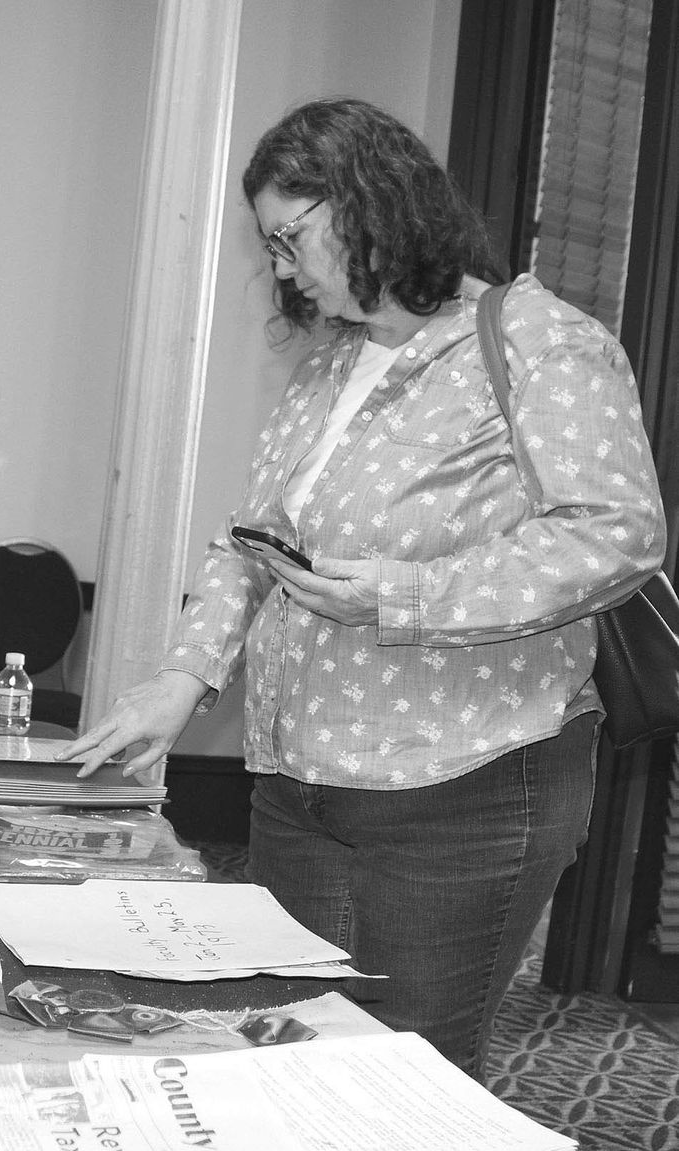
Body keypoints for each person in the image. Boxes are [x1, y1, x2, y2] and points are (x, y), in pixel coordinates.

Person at [62, 96, 666, 1078]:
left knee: (403, 1082)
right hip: (303, 788)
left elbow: (618, 534)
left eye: (292, 238)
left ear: (369, 202)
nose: (285, 270)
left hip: (464, 787)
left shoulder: (538, 340)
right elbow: (250, 541)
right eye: (272, 248)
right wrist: (178, 680)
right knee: (295, 1056)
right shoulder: (329, 362)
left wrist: (405, 597)